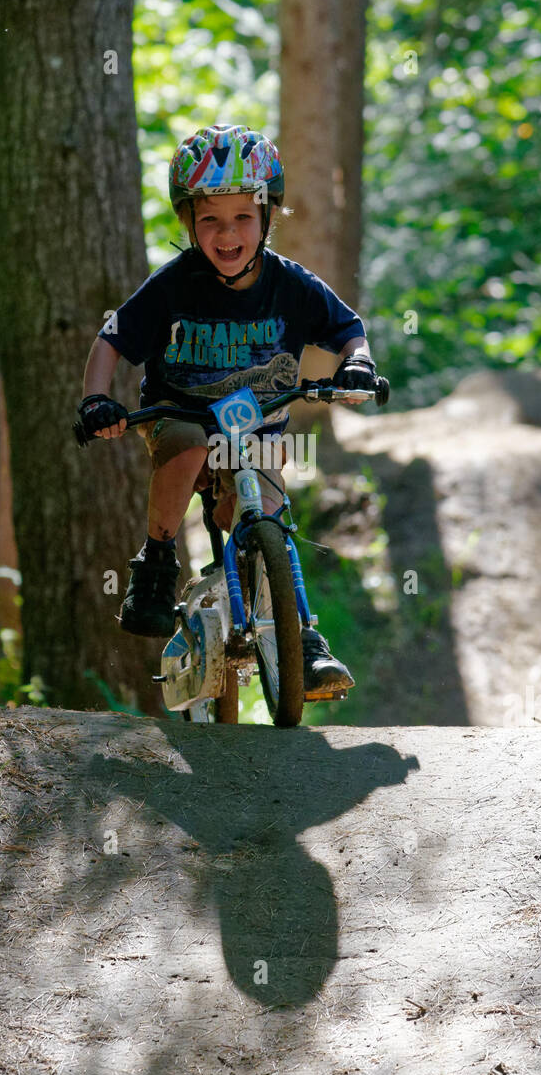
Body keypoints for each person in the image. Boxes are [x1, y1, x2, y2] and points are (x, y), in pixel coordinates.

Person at [77, 123, 378, 700]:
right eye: (209, 219)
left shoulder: (292, 286)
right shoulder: (173, 285)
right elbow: (112, 339)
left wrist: (357, 365)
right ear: (188, 224)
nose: (227, 233)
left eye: (243, 216)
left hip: (255, 429)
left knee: (264, 514)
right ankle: (158, 562)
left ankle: (302, 641)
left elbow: (348, 330)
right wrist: (96, 398)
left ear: (268, 218)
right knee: (189, 442)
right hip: (179, 417)